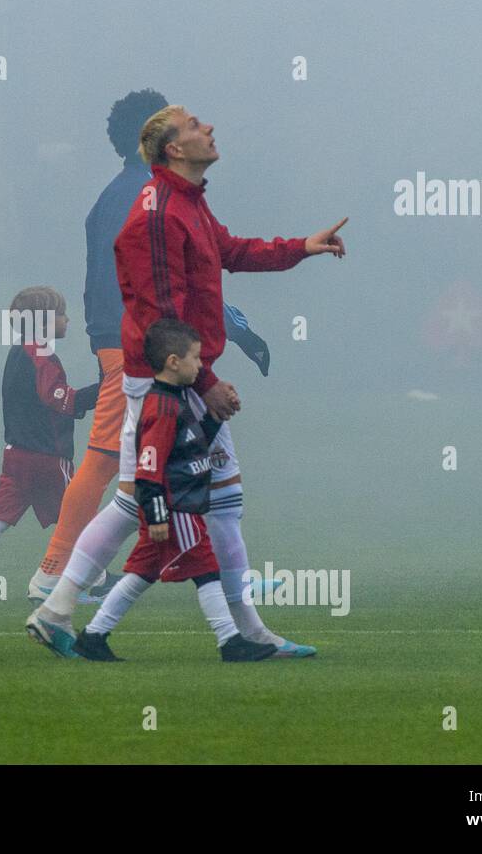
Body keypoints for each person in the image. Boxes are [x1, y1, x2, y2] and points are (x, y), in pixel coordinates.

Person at [27, 104, 347, 658]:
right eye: (197, 126)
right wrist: (206, 385)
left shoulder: (185, 203)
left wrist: (301, 247)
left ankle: (59, 609)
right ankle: (244, 634)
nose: (211, 128)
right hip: (166, 384)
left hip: (177, 378)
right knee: (203, 501)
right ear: (173, 149)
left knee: (160, 501)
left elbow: (230, 252)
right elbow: (161, 317)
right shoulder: (157, 215)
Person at [28, 90, 274, 603]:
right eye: (180, 124)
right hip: (145, 350)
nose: (199, 128)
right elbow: (170, 284)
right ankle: (55, 576)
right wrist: (228, 339)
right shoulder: (152, 197)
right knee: (110, 468)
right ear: (162, 142)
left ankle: (218, 582)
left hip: (127, 341)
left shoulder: (116, 195)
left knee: (146, 472)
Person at [73, 320, 269, 662]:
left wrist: (216, 417)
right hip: (174, 510)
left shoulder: (176, 401)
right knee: (207, 571)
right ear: (173, 362)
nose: (201, 366)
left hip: (174, 510)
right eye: (195, 358)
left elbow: (192, 446)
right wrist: (159, 515)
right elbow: (148, 469)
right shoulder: (161, 408)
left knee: (140, 575)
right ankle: (230, 641)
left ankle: (92, 635)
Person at [0, 286, 98, 601]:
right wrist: (106, 389)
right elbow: (59, 398)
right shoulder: (41, 353)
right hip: (47, 457)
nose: (67, 320)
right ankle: (93, 581)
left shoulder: (19, 351)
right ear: (44, 322)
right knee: (77, 513)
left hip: (16, 454)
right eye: (61, 314)